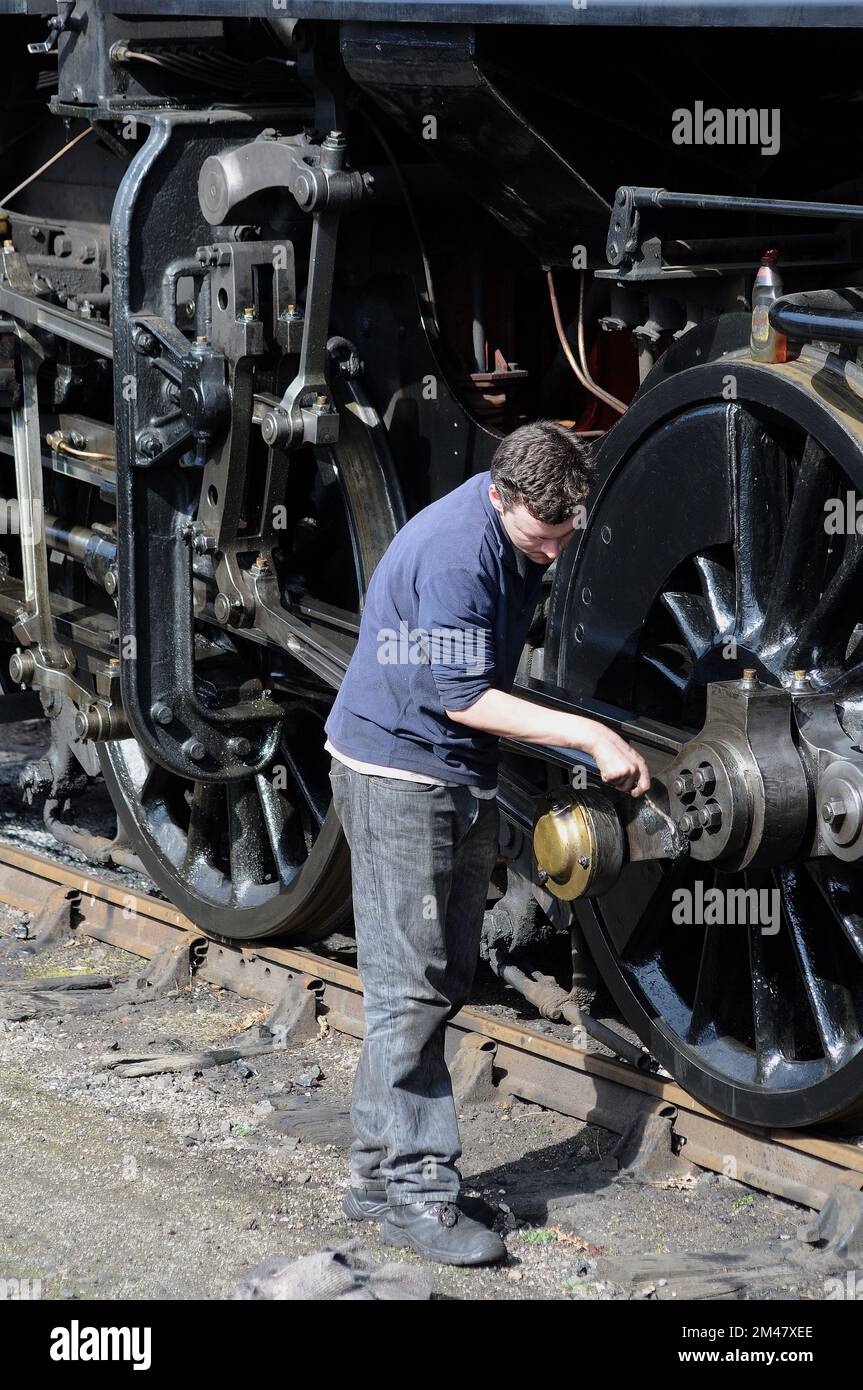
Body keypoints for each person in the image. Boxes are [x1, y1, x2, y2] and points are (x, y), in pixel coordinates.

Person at [324, 420, 650, 1266]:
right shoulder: (457, 555)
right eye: (543, 537)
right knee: (413, 987)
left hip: (447, 773)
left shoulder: (511, 529)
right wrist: (588, 737)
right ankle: (418, 1193)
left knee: (426, 978)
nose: (554, 551)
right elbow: (465, 697)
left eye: (566, 532)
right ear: (501, 497)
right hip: (401, 776)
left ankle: (374, 1176)